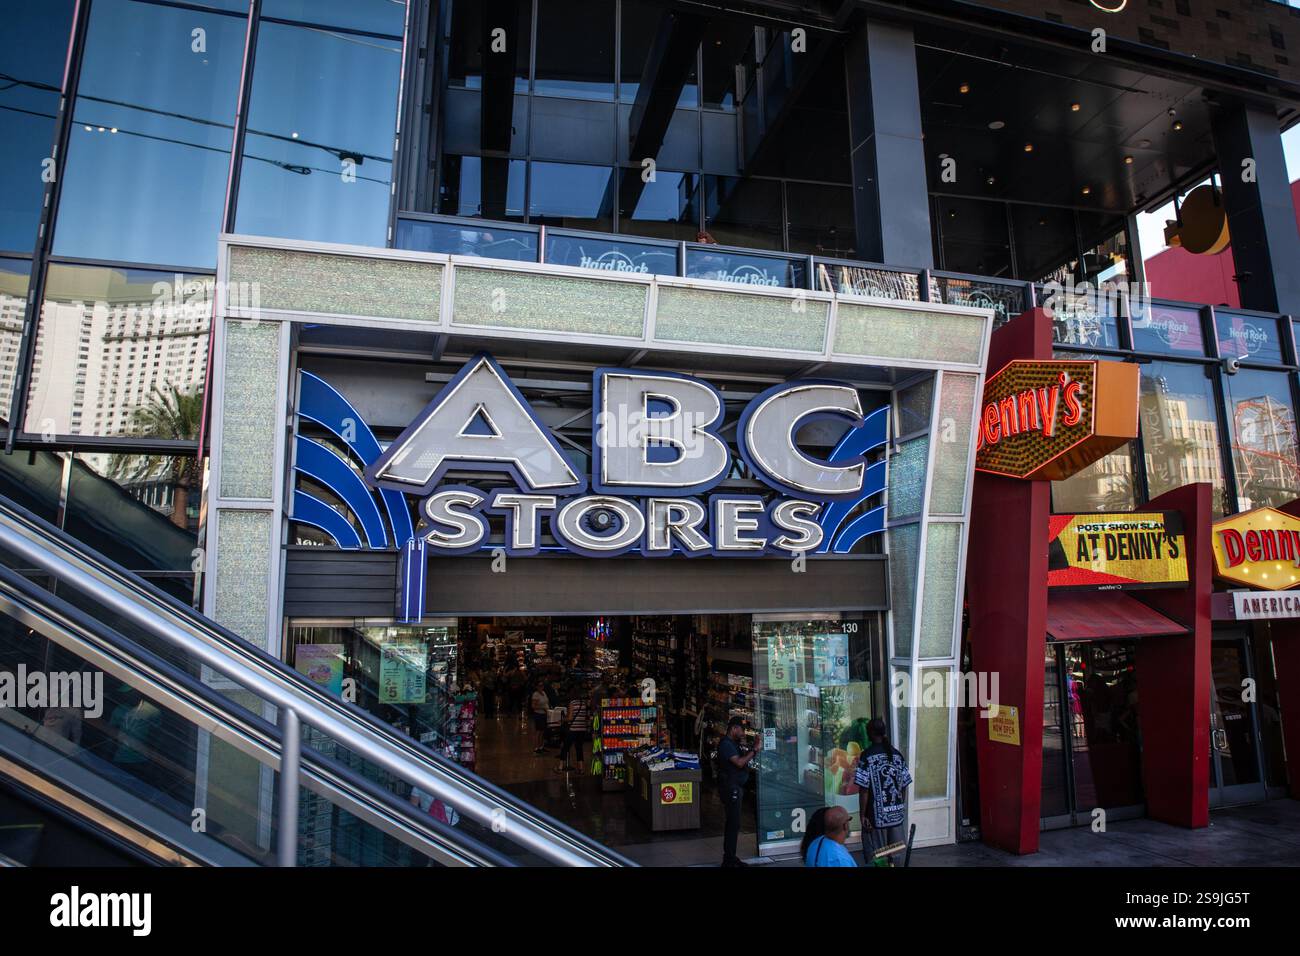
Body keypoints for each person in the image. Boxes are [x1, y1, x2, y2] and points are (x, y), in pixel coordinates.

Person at [855, 718, 913, 866]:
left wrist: (862, 815)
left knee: (878, 856)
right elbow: (904, 785)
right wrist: (899, 806)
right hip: (896, 818)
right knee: (895, 853)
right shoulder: (897, 755)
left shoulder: (867, 756)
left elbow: (864, 790)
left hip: (875, 820)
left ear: (870, 734)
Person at [717, 716, 758, 867]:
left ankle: (730, 857)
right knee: (733, 824)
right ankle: (728, 859)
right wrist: (754, 750)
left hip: (735, 786)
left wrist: (746, 745)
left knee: (734, 824)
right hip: (730, 788)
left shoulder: (732, 743)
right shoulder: (726, 744)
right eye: (741, 729)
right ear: (733, 728)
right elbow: (740, 763)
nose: (743, 732)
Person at [556, 687, 591, 773]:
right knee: (579, 748)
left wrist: (562, 719)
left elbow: (570, 718)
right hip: (582, 729)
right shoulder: (583, 703)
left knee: (565, 747)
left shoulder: (572, 703)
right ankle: (581, 769)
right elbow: (585, 717)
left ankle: (560, 767)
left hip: (573, 729)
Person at [529, 680, 550, 754]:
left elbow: (546, 703)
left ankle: (541, 746)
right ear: (537, 687)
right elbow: (533, 706)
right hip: (538, 714)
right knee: (538, 731)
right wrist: (542, 708)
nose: (541, 687)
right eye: (539, 686)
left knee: (542, 731)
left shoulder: (544, 693)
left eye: (542, 685)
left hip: (544, 714)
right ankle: (536, 747)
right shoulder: (536, 694)